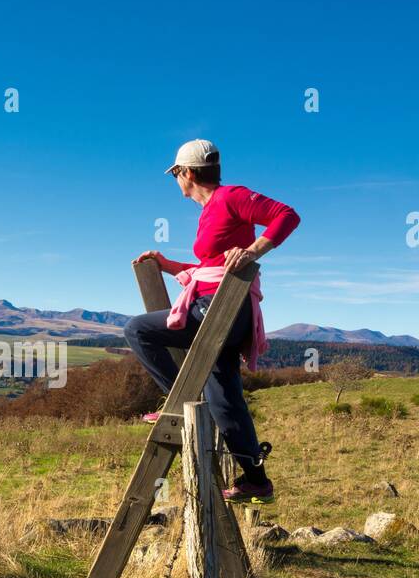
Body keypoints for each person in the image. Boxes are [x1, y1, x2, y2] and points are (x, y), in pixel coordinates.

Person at [125, 139, 300, 503]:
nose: (176, 181)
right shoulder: (210, 211)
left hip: (221, 310)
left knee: (138, 330)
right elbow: (210, 267)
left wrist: (252, 251)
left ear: (187, 173)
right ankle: (256, 479)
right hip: (218, 308)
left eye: (175, 174)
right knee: (224, 398)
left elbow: (287, 215)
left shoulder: (230, 196)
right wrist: (168, 265)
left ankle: (179, 398)